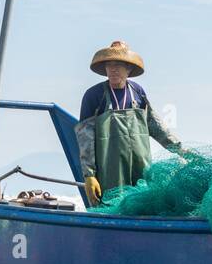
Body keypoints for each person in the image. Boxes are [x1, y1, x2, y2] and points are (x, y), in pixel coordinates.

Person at [76, 41, 186, 205]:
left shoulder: (138, 92)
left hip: (141, 169)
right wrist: (89, 175)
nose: (113, 69)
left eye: (118, 65)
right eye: (109, 65)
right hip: (110, 173)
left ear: (129, 69)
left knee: (142, 205)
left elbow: (156, 126)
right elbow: (85, 139)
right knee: (111, 206)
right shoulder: (93, 96)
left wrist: (179, 149)